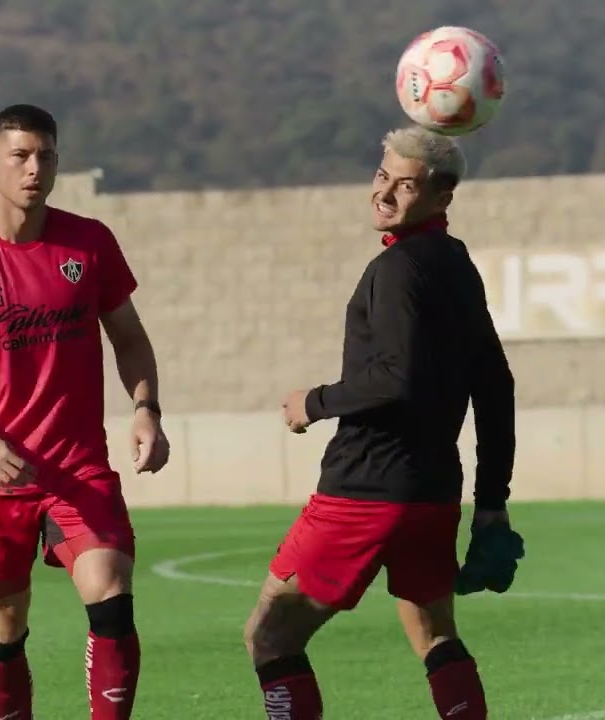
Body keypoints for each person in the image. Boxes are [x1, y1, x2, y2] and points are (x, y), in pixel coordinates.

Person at [0, 103, 169, 720]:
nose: (34, 168)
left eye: (45, 156)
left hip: (76, 467)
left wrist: (146, 408)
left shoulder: (90, 243)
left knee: (110, 591)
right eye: (20, 155)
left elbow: (130, 338)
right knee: (2, 622)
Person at [243, 125, 518, 720]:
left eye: (406, 185)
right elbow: (496, 386)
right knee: (435, 635)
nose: (385, 193)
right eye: (381, 176)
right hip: (431, 493)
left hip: (364, 491)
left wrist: (313, 402)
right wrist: (491, 502)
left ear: (442, 196)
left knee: (269, 636)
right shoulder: (456, 262)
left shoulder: (397, 268)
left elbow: (395, 378)